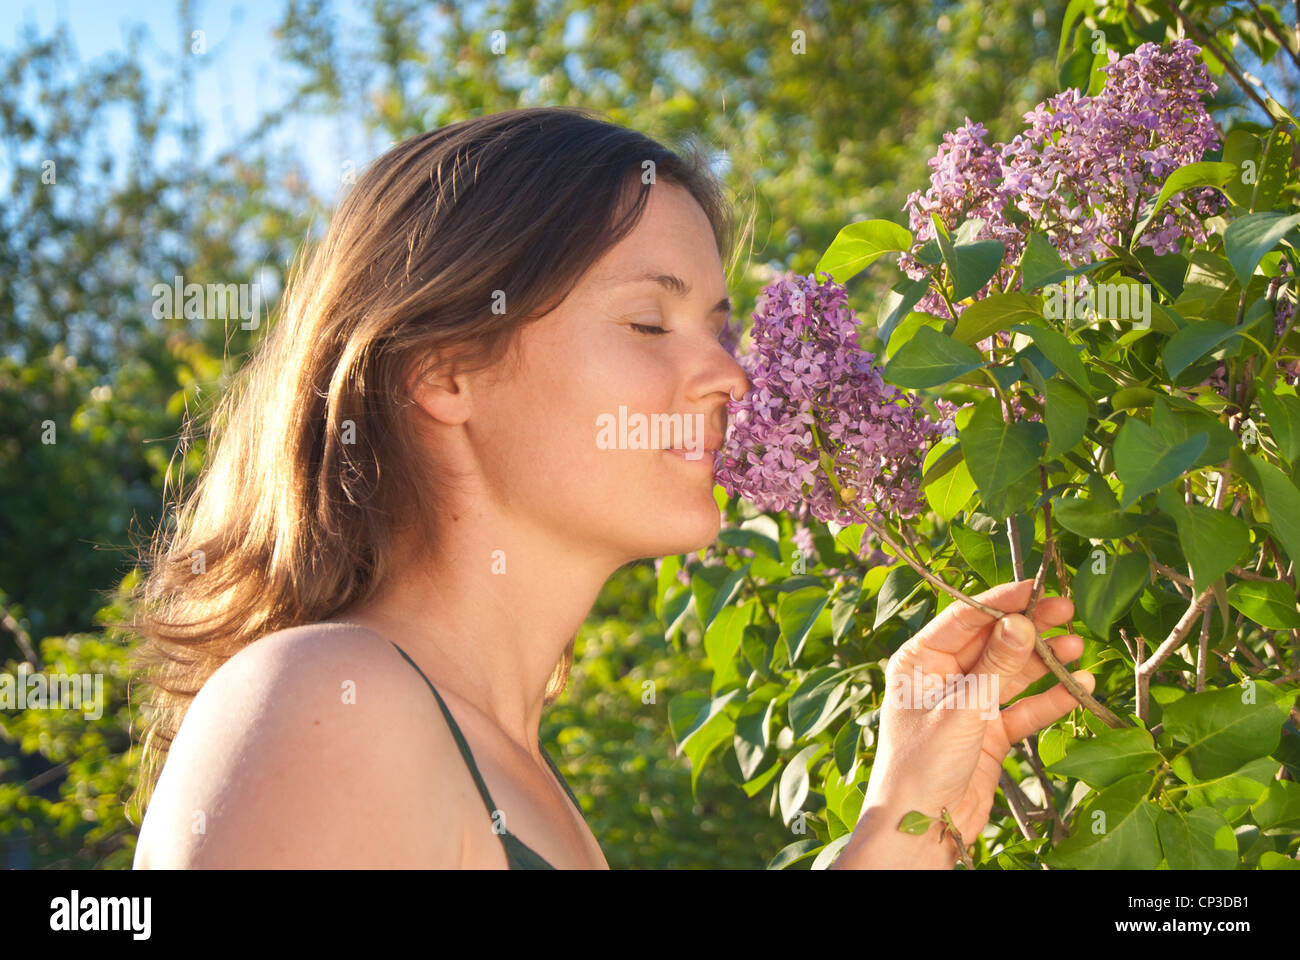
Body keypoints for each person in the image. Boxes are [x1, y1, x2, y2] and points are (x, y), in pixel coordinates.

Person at [128, 106, 1092, 869]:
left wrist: (904, 822)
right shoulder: (334, 703)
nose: (732, 375)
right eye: (647, 324)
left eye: (719, 328)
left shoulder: (518, 780)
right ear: (443, 373)